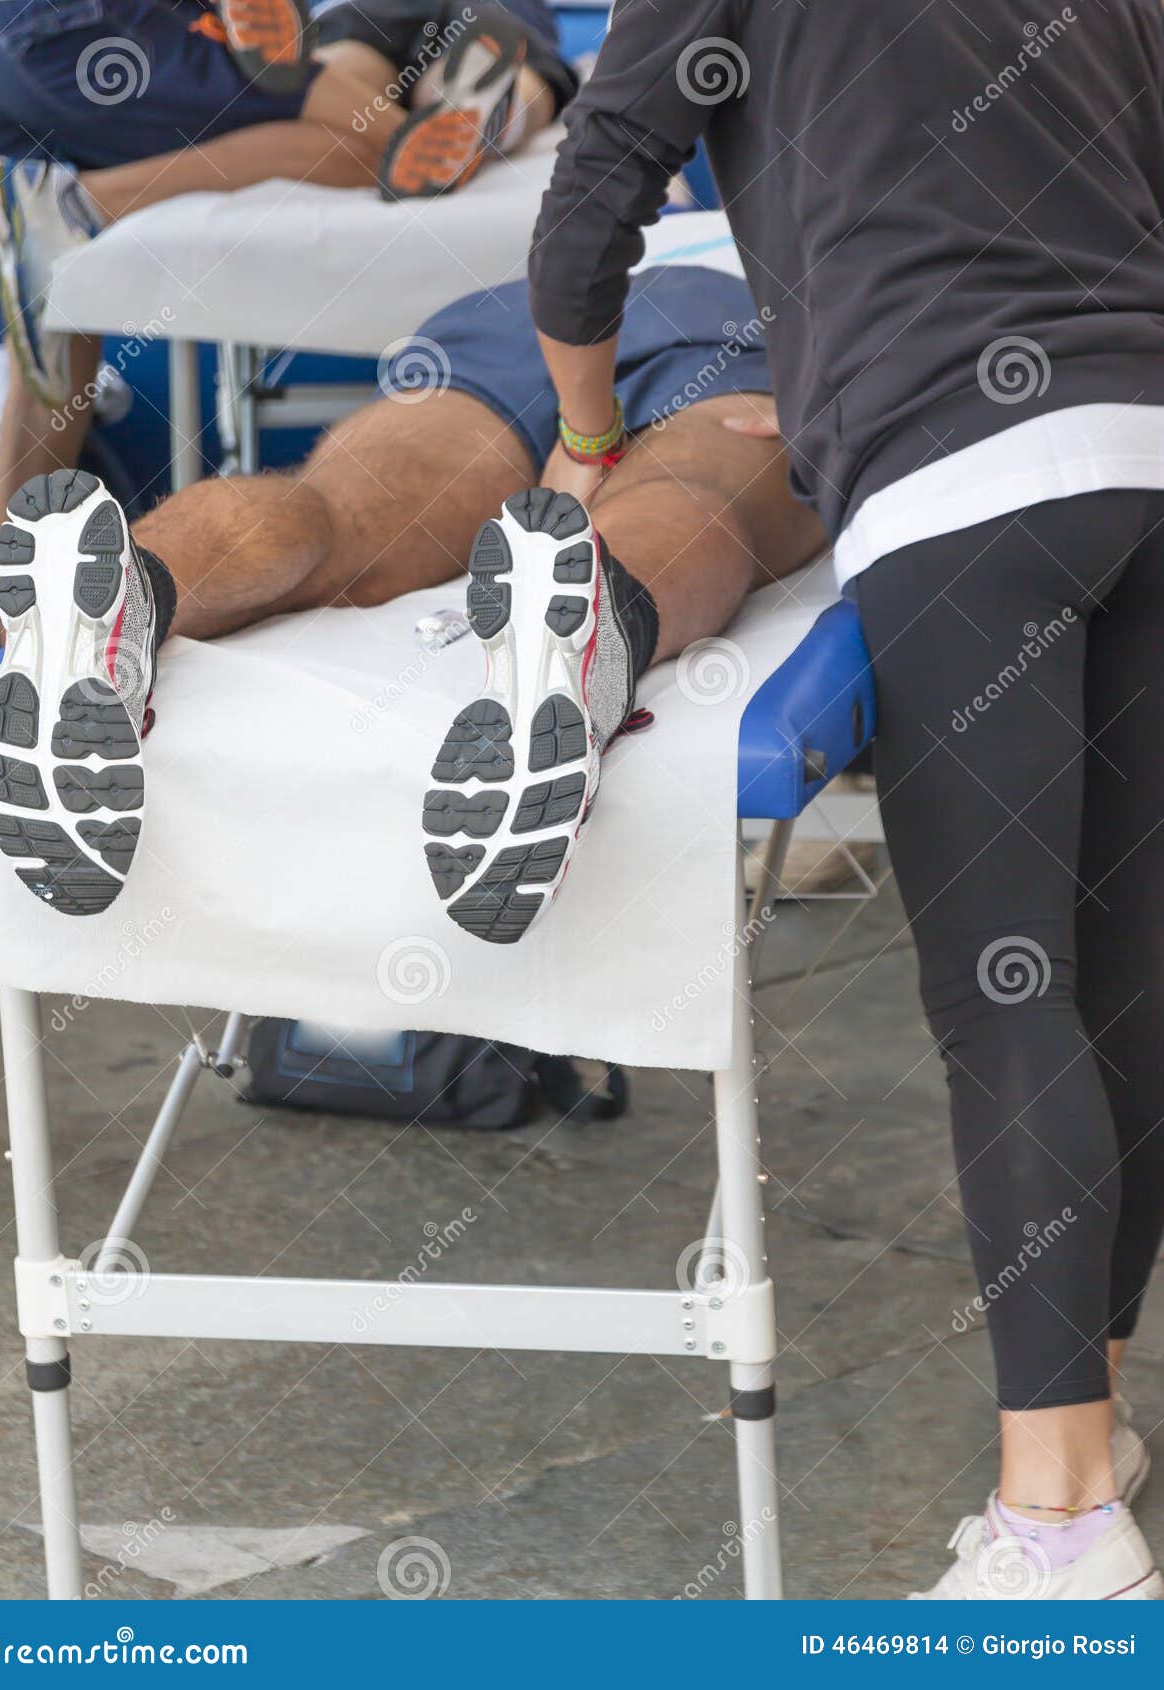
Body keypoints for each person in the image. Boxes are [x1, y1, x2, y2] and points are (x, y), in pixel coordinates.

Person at [526, 0, 1164, 1600]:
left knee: (1007, 996)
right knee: (1125, 977)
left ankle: (1063, 1520)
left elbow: (592, 197)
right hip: (1146, 447)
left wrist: (591, 440)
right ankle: (1095, 1428)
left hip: (963, 474)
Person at [0, 246, 824, 929]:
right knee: (692, 499)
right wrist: (857, 376)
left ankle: (123, 591)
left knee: (342, 517)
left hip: (522, 312)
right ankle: (578, 641)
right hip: (735, 324)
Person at [0, 0, 575, 543]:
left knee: (49, 364)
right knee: (368, 138)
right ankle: (82, 206)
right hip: (89, 25)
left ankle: (18, 640)